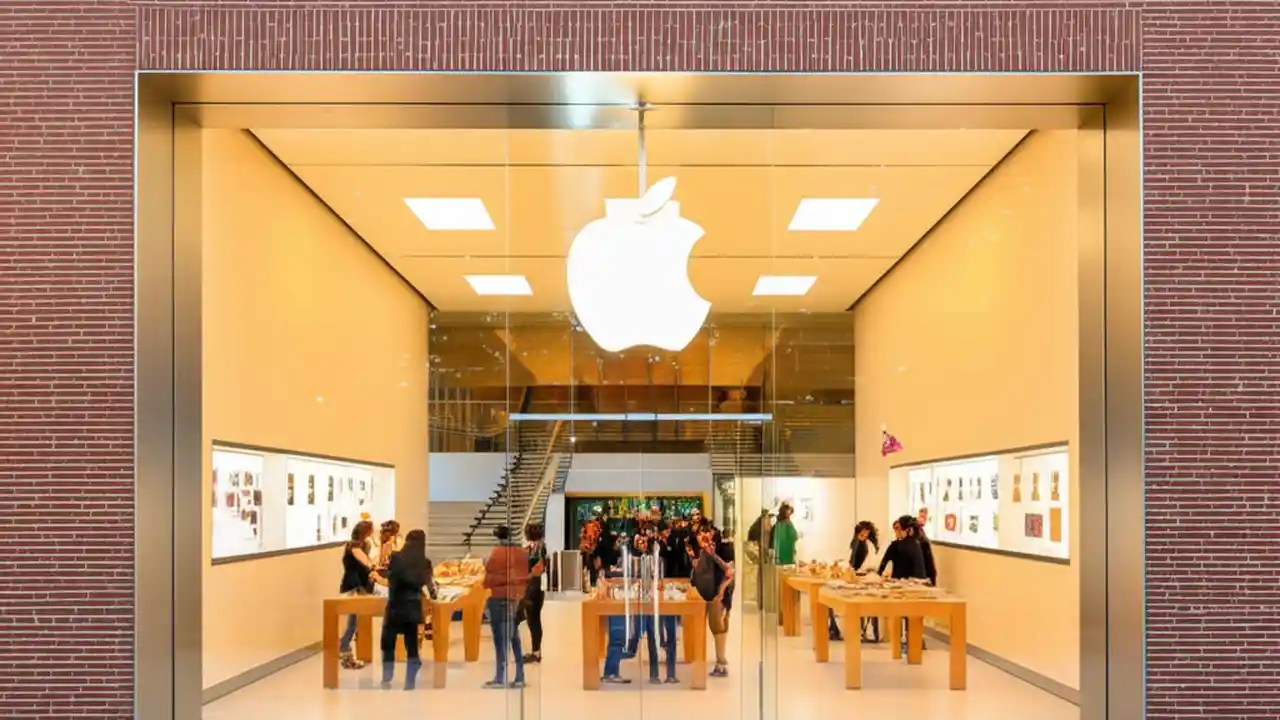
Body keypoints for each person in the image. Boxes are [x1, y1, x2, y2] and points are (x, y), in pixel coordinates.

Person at [380, 529, 430, 689]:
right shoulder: (424, 563)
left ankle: (387, 677)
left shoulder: (396, 558)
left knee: (388, 643)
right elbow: (429, 585)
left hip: (395, 607)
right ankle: (410, 681)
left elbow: (391, 580)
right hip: (413, 608)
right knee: (411, 644)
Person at [482, 525, 530, 688]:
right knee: (514, 638)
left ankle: (500, 676)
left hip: (499, 597)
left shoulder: (497, 553)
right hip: (514, 597)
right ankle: (519, 676)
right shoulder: (521, 553)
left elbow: (489, 573)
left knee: (500, 639)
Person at [878, 515, 930, 655]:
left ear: (907, 530)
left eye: (898, 528)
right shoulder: (917, 544)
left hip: (906, 585)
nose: (896, 531)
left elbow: (883, 564)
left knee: (905, 614)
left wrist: (880, 575)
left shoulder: (901, 545)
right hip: (913, 584)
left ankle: (906, 642)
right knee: (910, 615)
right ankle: (912, 641)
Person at [691, 523, 734, 678]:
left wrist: (721, 592)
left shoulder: (723, 548)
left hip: (717, 596)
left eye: (706, 532)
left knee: (718, 628)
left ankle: (721, 663)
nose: (703, 536)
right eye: (699, 533)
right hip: (702, 596)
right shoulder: (699, 551)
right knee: (708, 627)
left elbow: (730, 572)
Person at [338, 520, 381, 670]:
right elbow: (367, 562)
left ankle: (347, 653)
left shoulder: (363, 546)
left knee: (354, 623)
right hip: (352, 587)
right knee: (350, 623)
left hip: (359, 586)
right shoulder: (354, 547)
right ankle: (344, 649)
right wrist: (373, 561)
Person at [828, 521, 881, 641]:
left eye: (866, 533)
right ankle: (840, 629)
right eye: (862, 533)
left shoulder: (867, 544)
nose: (864, 535)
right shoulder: (857, 542)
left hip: (863, 577)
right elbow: (852, 560)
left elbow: (866, 562)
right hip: (855, 576)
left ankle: (861, 631)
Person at [520, 522, 548, 664]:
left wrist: (526, 577)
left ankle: (536, 652)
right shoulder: (538, 546)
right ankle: (536, 651)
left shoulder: (537, 548)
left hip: (533, 587)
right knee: (534, 619)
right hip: (536, 586)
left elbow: (537, 569)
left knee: (533, 619)